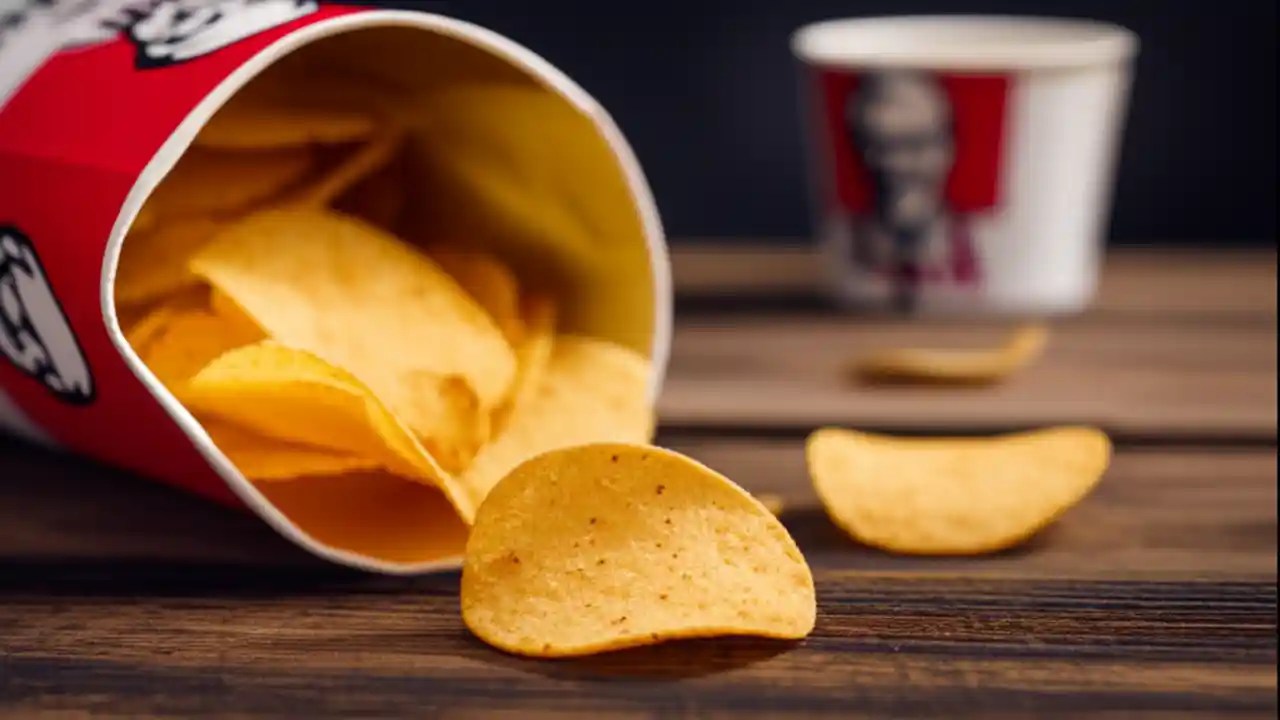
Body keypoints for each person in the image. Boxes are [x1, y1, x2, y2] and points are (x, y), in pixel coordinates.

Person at [844, 70, 979, 311]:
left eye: (915, 145)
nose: (896, 164)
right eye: (878, 146)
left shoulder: (985, 241)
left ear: (949, 146)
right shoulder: (846, 243)